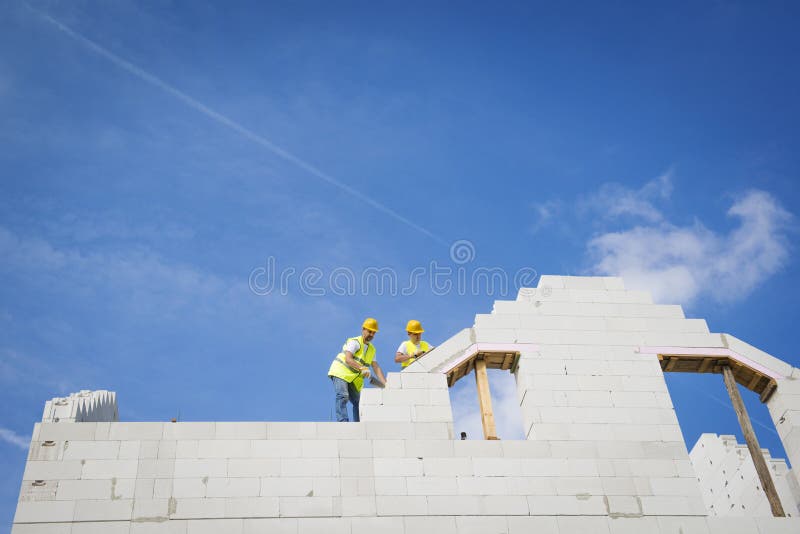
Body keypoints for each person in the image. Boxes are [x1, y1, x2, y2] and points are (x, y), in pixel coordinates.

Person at [327, 318, 386, 422]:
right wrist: (362, 368)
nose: (371, 334)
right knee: (343, 395)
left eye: (373, 333)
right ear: (363, 329)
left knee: (358, 402)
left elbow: (376, 367)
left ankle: (358, 424)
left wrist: (385, 385)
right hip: (340, 372)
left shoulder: (372, 350)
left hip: (352, 378)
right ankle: (343, 422)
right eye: (369, 331)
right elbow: (348, 359)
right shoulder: (355, 342)